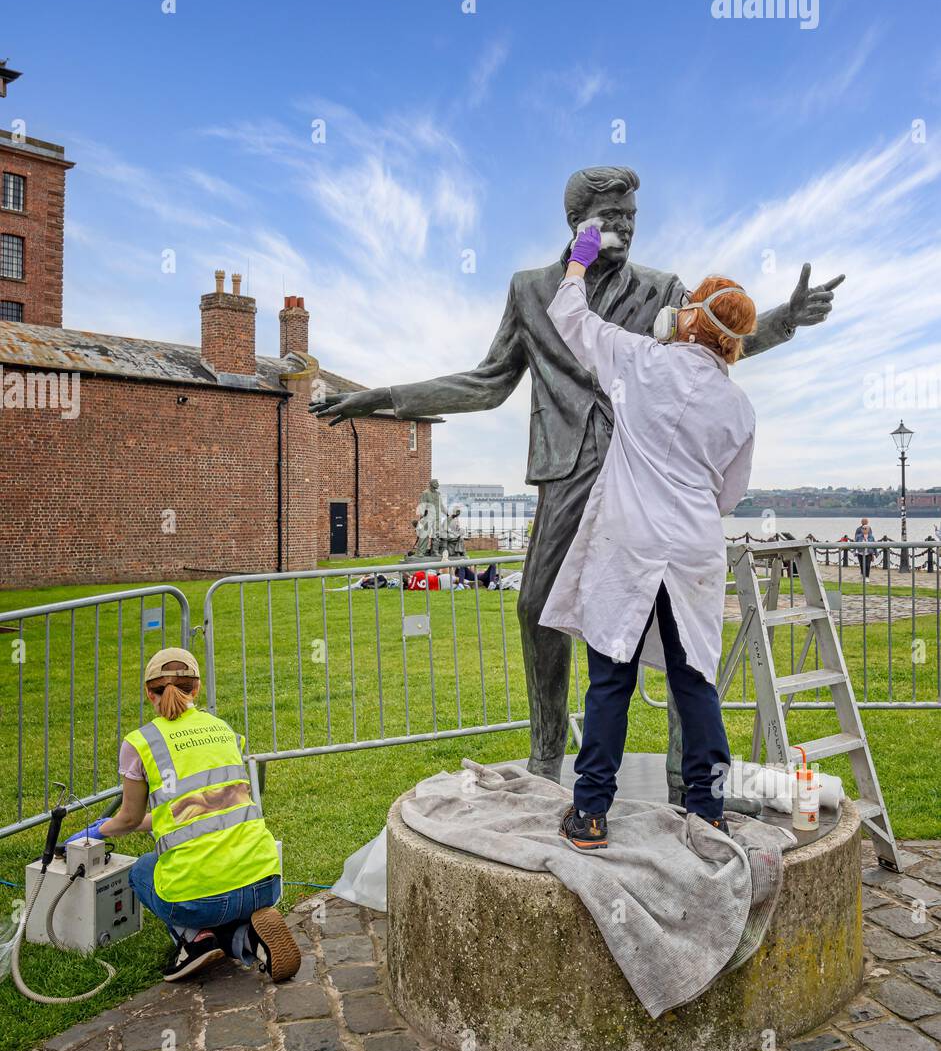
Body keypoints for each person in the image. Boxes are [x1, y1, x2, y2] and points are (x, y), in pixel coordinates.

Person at [317, 165, 844, 802]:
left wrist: (784, 319)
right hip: (566, 470)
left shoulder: (661, 289)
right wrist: (384, 398)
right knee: (536, 606)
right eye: (613, 215)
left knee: (677, 619)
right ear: (577, 221)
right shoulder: (531, 289)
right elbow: (488, 383)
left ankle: (687, 772)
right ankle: (547, 757)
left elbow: (716, 340)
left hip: (641, 471)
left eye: (632, 216)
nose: (626, 226)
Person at [540, 227, 756, 851]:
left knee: (611, 678)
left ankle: (591, 814)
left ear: (693, 319)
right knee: (695, 683)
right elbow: (729, 496)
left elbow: (572, 320)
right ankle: (708, 814)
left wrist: (578, 265)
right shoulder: (739, 407)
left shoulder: (641, 360)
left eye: (687, 303)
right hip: (693, 550)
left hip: (630, 545)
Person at [67, 648, 301, 982]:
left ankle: (194, 939)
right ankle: (248, 938)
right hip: (264, 883)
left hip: (199, 901)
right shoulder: (223, 730)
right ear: (197, 688)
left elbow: (129, 818)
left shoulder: (141, 742)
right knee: (226, 899)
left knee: (143, 870)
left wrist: (99, 830)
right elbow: (200, 809)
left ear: (149, 692)